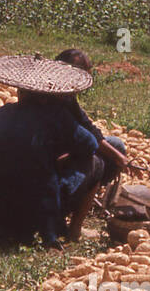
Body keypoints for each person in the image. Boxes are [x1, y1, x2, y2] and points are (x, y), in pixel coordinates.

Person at [0, 54, 99, 248]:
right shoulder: (56, 115)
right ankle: (72, 231)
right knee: (96, 163)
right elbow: (91, 146)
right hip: (36, 220)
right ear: (48, 95)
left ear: (20, 92)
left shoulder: (1, 114)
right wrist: (60, 158)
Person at [53, 48, 129, 238]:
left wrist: (118, 156)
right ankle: (73, 228)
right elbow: (88, 140)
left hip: (65, 151)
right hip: (51, 166)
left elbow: (88, 127)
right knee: (96, 163)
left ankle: (69, 210)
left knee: (116, 145)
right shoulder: (53, 101)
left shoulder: (66, 96)